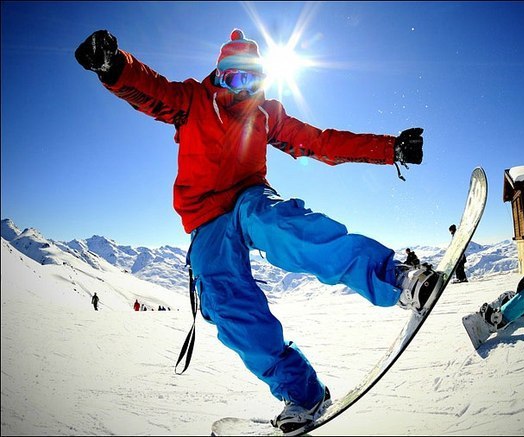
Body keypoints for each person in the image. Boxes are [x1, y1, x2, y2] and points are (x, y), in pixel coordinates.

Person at [75, 28, 440, 434]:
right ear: (219, 75)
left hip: (250, 199)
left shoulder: (266, 114)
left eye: (251, 80)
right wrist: (114, 66)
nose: (242, 89)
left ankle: (399, 279)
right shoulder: (193, 100)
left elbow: (320, 142)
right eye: (234, 77)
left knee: (284, 228)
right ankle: (304, 394)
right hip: (206, 220)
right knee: (228, 307)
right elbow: (150, 89)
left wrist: (388, 148)